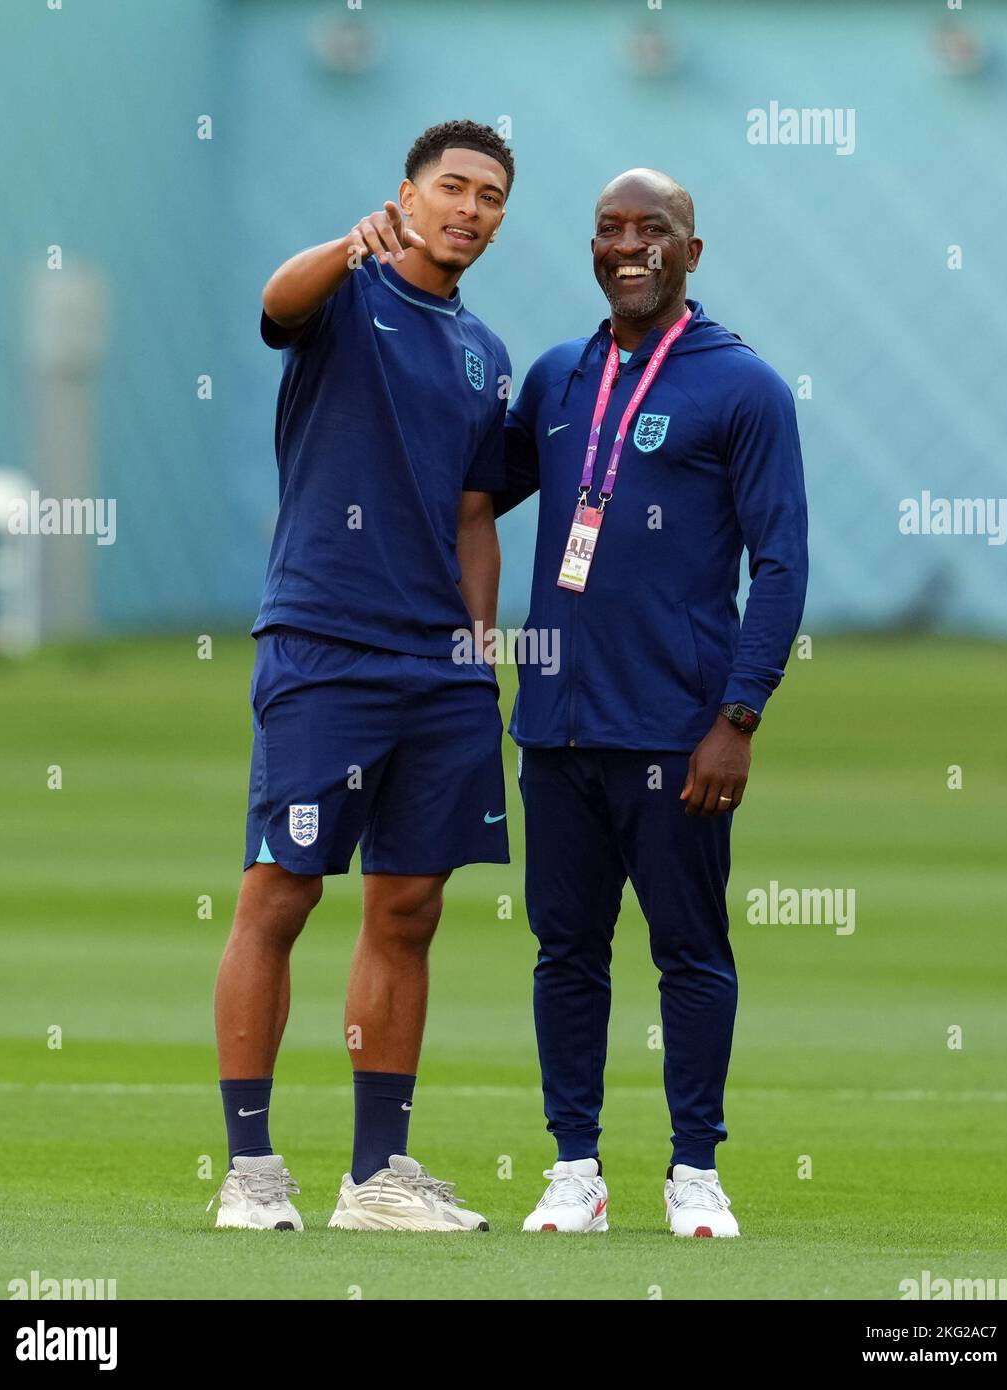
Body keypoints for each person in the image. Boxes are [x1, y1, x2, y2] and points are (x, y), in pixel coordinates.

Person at [210, 121, 514, 1234]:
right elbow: (276, 301)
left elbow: (474, 513)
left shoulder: (486, 352)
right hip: (324, 641)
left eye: (489, 196)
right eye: (452, 186)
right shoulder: (344, 291)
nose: (469, 208)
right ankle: (250, 1172)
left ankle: (376, 1178)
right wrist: (346, 248)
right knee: (280, 893)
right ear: (407, 194)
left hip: (437, 667)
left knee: (411, 906)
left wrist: (478, 647)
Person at [495, 168, 808, 1237]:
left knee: (690, 952)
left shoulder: (743, 387)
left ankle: (695, 1170)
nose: (629, 245)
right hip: (555, 726)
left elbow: (780, 563)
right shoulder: (557, 376)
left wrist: (738, 716)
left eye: (653, 229)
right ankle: (573, 1168)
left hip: (677, 733)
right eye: (609, 229)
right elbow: (472, 491)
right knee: (564, 951)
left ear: (691, 250)